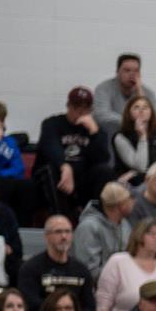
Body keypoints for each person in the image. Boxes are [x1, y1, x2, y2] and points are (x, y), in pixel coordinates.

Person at [37, 87, 112, 217]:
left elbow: (103, 159)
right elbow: (50, 147)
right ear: (68, 106)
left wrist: (94, 133)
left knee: (104, 171)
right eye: (76, 107)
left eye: (85, 108)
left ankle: (96, 217)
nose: (80, 112)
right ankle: (61, 220)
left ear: (91, 110)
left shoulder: (97, 130)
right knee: (49, 169)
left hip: (82, 181)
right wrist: (65, 166)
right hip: (57, 178)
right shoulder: (52, 123)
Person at [19, 215, 94, 311]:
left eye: (68, 232)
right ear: (46, 236)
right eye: (58, 232)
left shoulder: (82, 270)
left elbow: (89, 306)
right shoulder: (30, 268)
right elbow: (31, 304)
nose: (64, 236)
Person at [73, 181, 134, 275]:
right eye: (129, 199)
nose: (133, 202)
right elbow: (88, 271)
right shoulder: (88, 228)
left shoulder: (124, 223)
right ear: (121, 205)